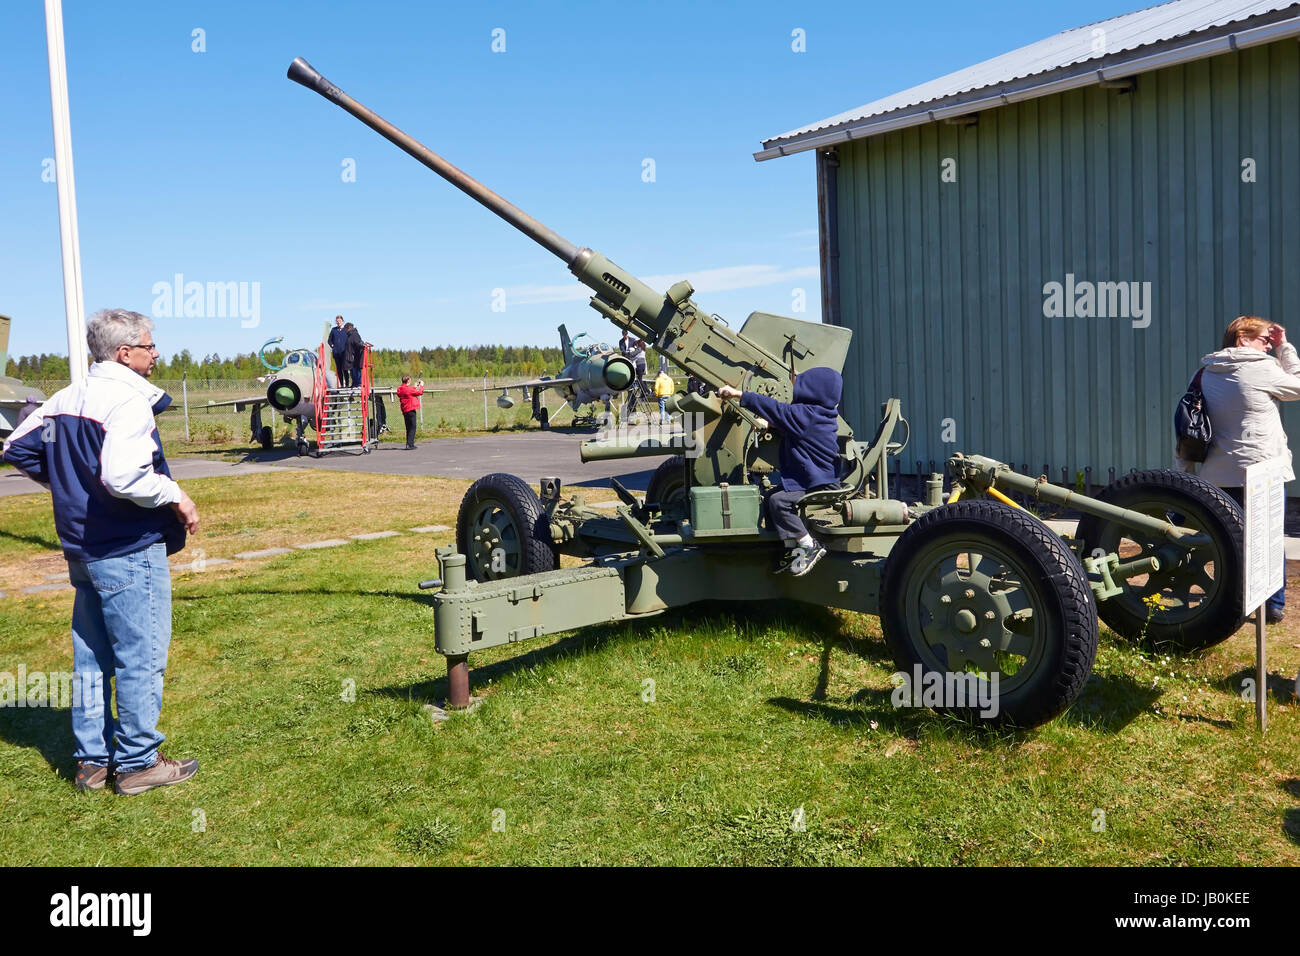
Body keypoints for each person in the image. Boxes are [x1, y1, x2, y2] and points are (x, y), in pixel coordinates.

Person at [2, 309, 200, 794]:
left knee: (91, 657)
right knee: (140, 656)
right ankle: (136, 763)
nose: (157, 354)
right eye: (150, 346)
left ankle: (92, 761)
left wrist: (70, 485)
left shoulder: (65, 398)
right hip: (127, 547)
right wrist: (176, 496)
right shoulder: (127, 400)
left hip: (82, 551)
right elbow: (123, 475)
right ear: (124, 353)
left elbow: (19, 447)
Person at [1184, 315, 1300, 623]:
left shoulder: (1204, 373)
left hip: (1218, 473)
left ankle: (1233, 597)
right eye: (1264, 340)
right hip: (1261, 472)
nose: (1268, 345)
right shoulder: (1264, 369)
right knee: (1269, 537)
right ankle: (1273, 605)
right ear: (1243, 339)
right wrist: (1284, 347)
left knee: (1230, 539)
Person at [716, 367, 842, 576]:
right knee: (770, 497)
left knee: (779, 501)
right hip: (814, 477)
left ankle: (808, 545)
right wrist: (771, 425)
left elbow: (776, 408)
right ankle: (789, 550)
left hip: (818, 481)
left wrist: (739, 395)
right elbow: (792, 424)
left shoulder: (806, 415)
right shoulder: (819, 415)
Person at [397, 374, 424, 449]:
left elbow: (409, 392)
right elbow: (420, 392)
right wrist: (421, 386)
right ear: (408, 380)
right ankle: (410, 444)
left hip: (405, 410)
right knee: (413, 427)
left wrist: (414, 387)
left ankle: (408, 443)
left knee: (408, 427)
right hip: (411, 409)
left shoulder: (400, 389)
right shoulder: (408, 389)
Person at [343, 322, 370, 388]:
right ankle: (355, 384)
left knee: (356, 371)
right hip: (350, 356)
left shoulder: (355, 334)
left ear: (348, 328)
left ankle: (358, 384)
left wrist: (362, 346)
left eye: (345, 329)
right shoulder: (350, 335)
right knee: (352, 371)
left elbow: (358, 343)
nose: (345, 331)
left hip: (354, 357)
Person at [653, 359, 674, 424]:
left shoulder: (658, 379)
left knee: (662, 408)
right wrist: (671, 393)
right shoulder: (670, 379)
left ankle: (662, 420)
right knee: (668, 408)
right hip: (668, 395)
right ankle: (669, 420)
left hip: (661, 395)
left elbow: (656, 388)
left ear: (659, 374)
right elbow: (672, 387)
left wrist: (656, 394)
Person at [328, 315, 348, 381]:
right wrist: (332, 346)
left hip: (344, 353)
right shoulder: (333, 330)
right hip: (336, 353)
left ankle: (347, 384)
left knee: (345, 369)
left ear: (342, 321)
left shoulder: (346, 330)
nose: (338, 322)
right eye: (337, 321)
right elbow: (329, 340)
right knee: (339, 369)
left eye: (339, 321)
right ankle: (342, 384)